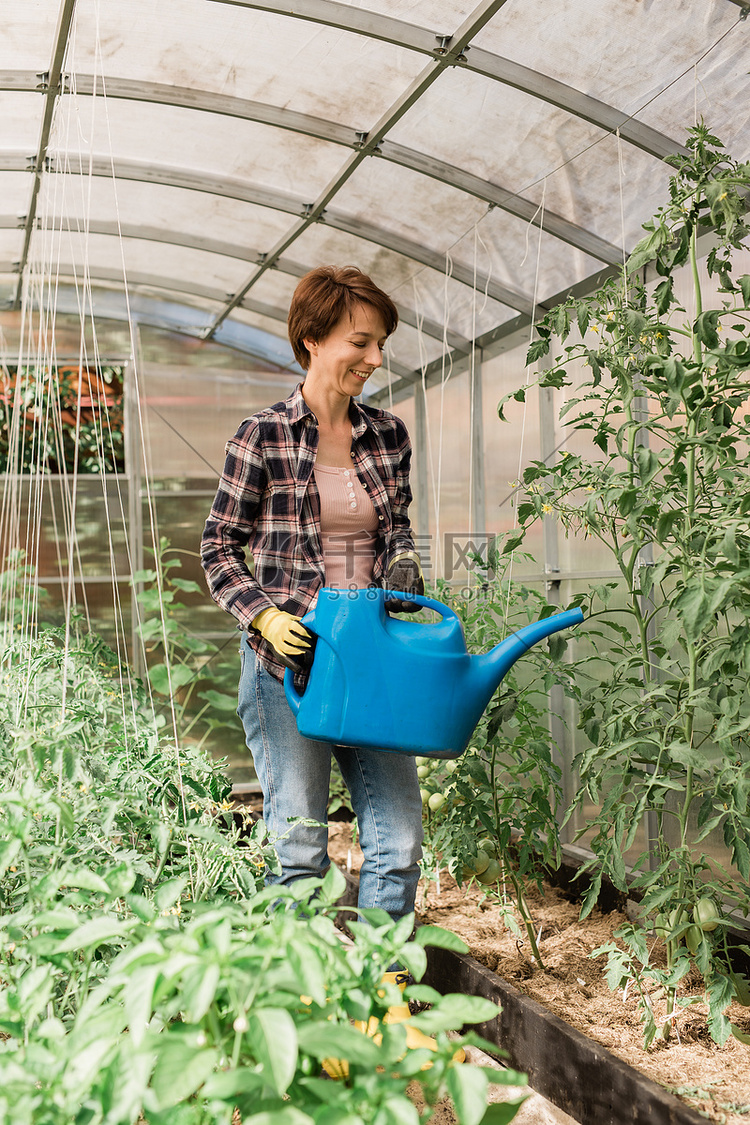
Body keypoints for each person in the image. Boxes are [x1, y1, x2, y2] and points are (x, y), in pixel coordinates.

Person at [200, 265, 426, 923]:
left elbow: (398, 529)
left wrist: (405, 573)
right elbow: (218, 547)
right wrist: (265, 617)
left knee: (400, 839)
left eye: (380, 342)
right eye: (361, 341)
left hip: (371, 664)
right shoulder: (262, 435)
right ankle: (308, 1002)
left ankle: (383, 992)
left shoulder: (387, 436)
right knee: (300, 850)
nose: (375, 358)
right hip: (287, 671)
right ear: (314, 339)